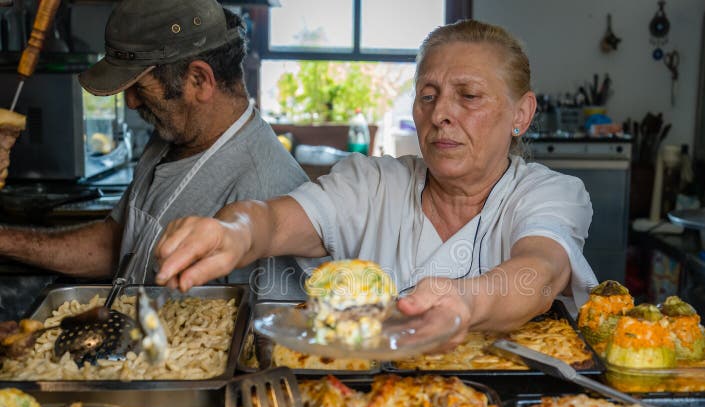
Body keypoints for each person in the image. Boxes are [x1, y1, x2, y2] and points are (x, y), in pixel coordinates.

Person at [155, 20, 598, 345]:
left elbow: (541, 271)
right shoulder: (373, 184)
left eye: (468, 96)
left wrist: (467, 300)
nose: (440, 113)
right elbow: (271, 220)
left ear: (521, 114)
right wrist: (234, 231)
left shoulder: (548, 194)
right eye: (427, 96)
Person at [0, 0, 308, 297]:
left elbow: (265, 335)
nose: (130, 102)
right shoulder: (172, 133)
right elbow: (115, 245)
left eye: (139, 87)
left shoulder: (269, 186)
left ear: (199, 80)